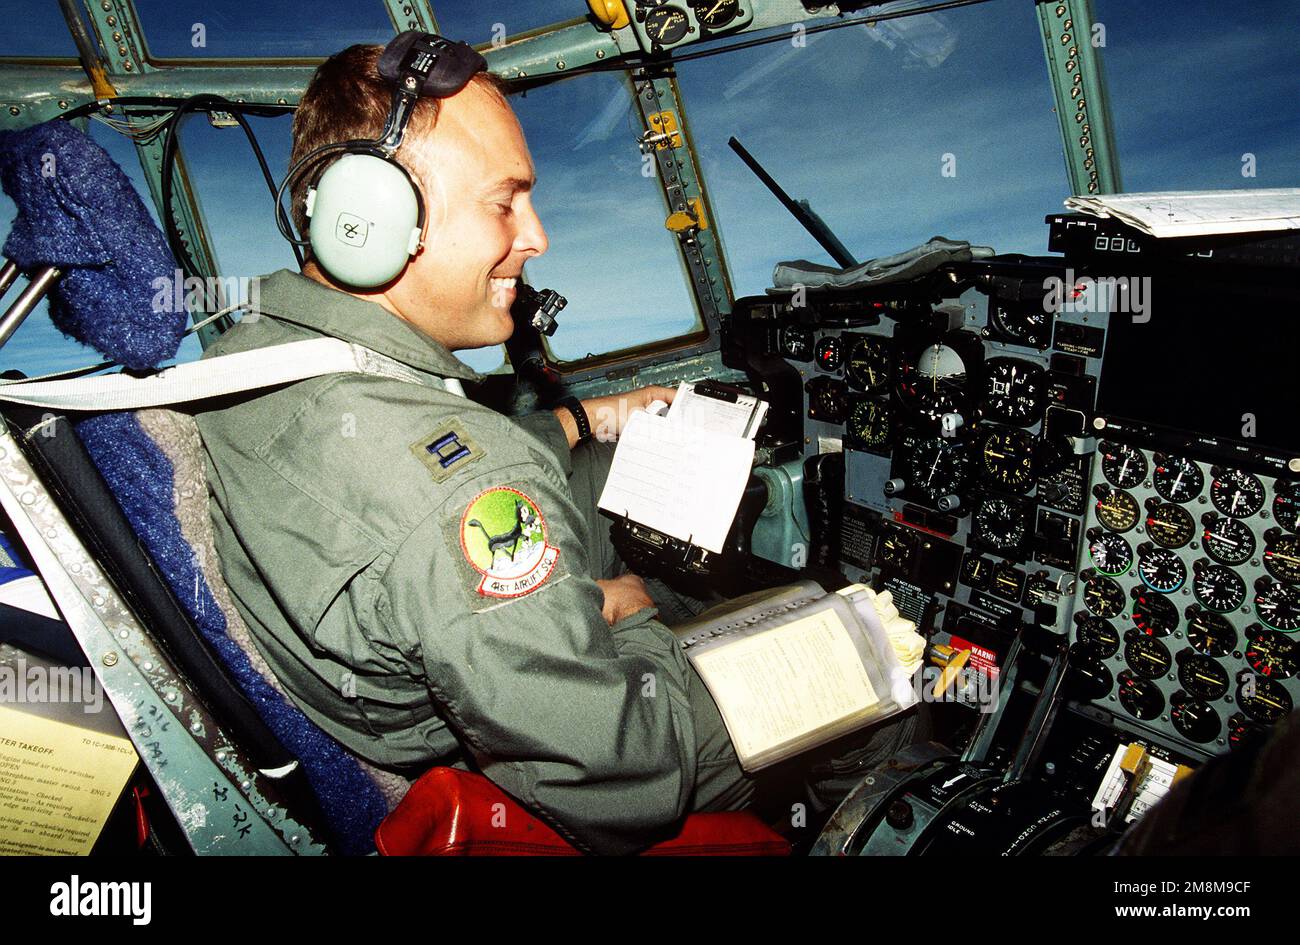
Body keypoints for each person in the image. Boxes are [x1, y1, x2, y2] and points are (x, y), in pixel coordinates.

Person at [196, 40, 914, 856]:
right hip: (574, 757)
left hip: (388, 660)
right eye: (505, 203)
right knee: (874, 675)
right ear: (372, 214)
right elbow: (622, 769)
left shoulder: (246, 356)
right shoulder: (468, 488)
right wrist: (630, 614)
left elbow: (422, 462)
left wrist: (590, 417)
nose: (536, 237)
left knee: (615, 480)